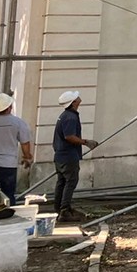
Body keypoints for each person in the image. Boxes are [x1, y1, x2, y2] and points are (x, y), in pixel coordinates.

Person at [52, 90, 99, 222]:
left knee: (62, 182)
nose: (79, 98)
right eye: (76, 97)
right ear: (73, 102)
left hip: (61, 155)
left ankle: (59, 208)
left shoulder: (65, 115)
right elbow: (69, 136)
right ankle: (64, 211)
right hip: (68, 156)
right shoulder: (70, 117)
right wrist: (86, 142)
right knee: (70, 182)